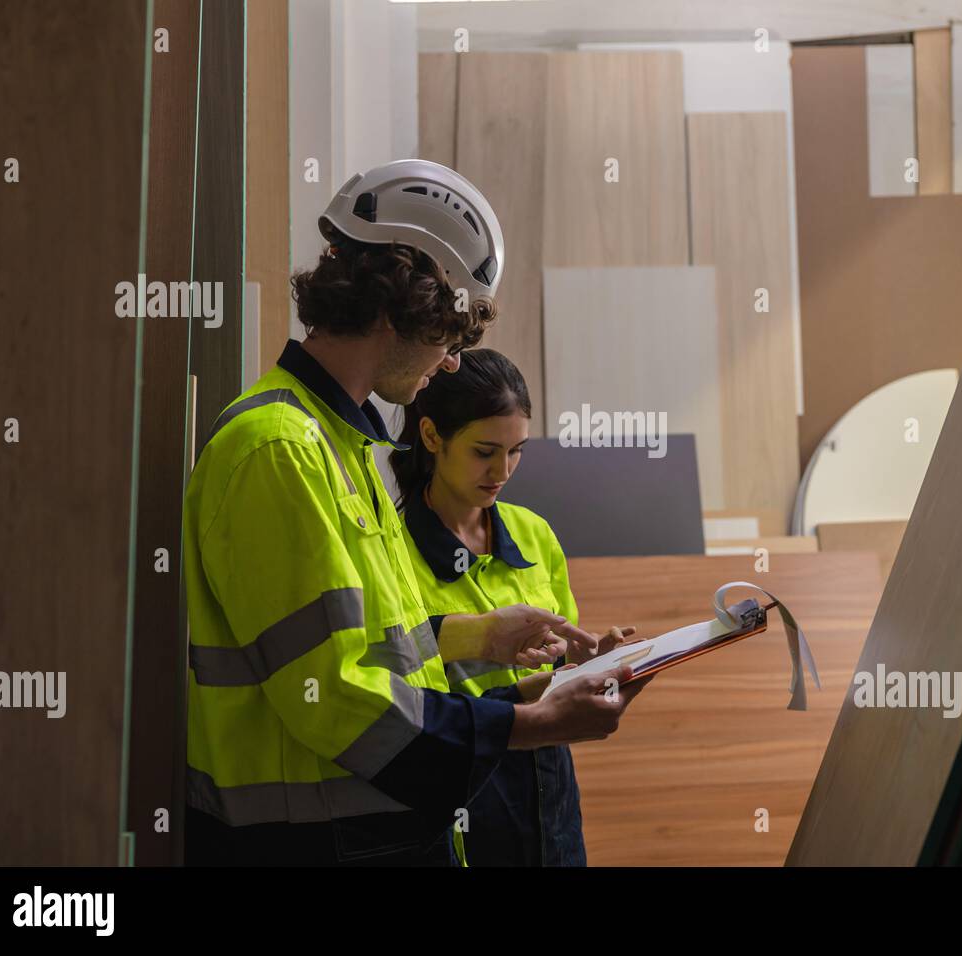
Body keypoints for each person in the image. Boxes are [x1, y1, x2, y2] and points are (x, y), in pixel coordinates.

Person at [182, 160, 647, 866]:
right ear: (405, 300)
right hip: (308, 845)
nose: (455, 361)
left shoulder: (343, 448)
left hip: (361, 835)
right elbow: (331, 694)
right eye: (452, 331)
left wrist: (492, 646)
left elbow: (372, 654)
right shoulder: (277, 448)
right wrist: (530, 723)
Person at [391, 348, 632, 866]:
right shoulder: (392, 551)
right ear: (432, 437)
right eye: (484, 451)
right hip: (460, 794)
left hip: (552, 790)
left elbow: (557, 667)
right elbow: (396, 696)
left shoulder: (533, 533)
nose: (502, 471)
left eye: (517, 451)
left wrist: (591, 665)